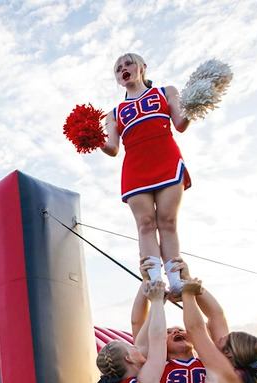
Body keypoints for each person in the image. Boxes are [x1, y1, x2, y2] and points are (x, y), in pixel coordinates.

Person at [101, 52, 192, 300]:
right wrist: (93, 138)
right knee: (145, 224)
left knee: (168, 221)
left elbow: (181, 124)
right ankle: (154, 281)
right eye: (118, 68)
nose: (123, 69)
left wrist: (196, 102)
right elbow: (113, 148)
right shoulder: (115, 112)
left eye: (128, 63)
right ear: (118, 78)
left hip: (166, 159)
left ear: (142, 67)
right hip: (135, 166)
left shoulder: (165, 92)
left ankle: (176, 280)